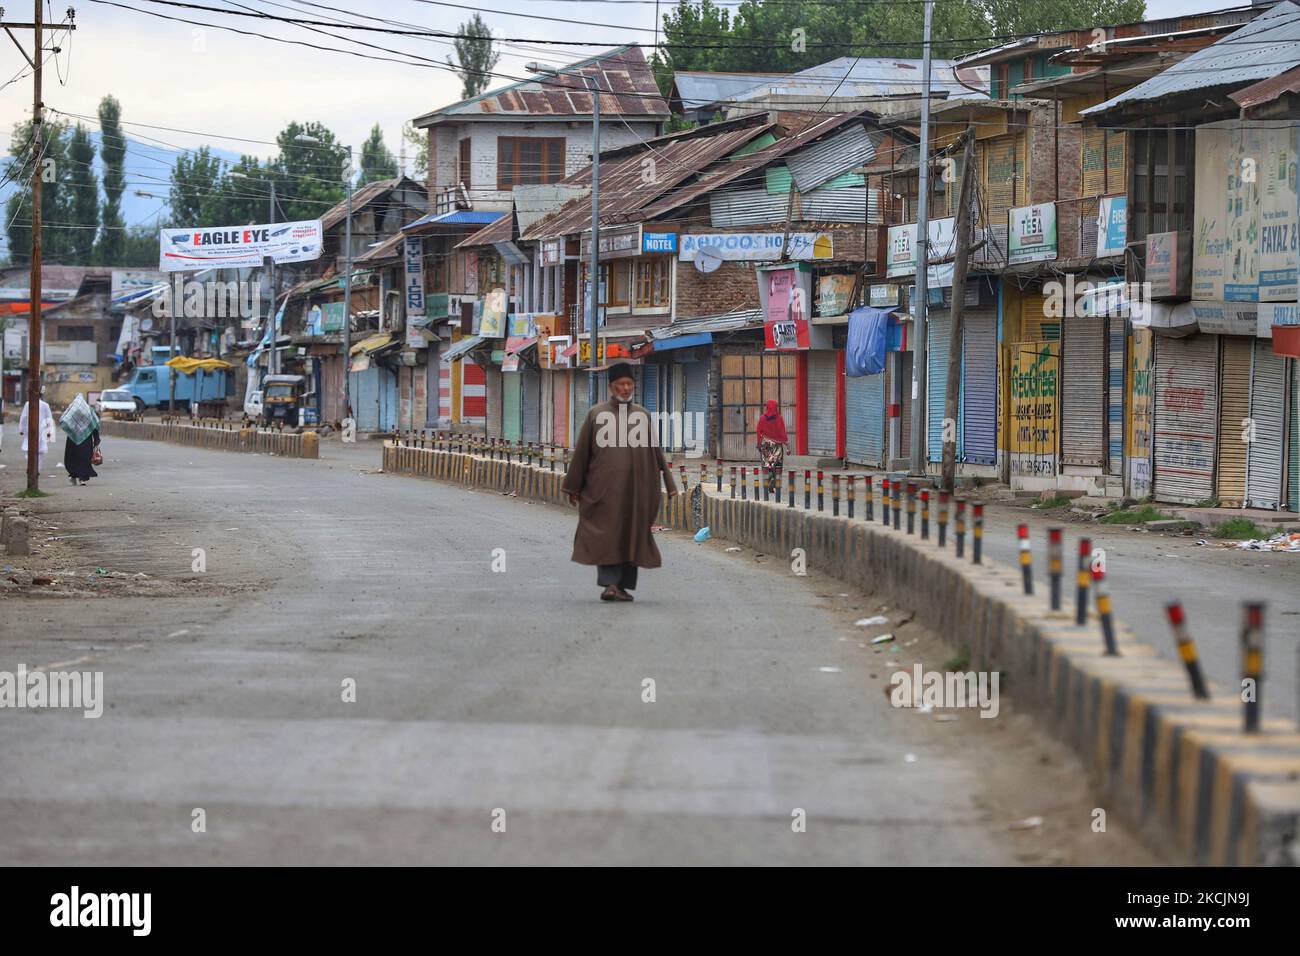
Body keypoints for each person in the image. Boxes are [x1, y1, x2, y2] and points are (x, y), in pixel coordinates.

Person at [562, 363, 677, 602]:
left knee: (631, 535)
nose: (625, 388)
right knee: (607, 534)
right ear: (611, 386)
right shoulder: (596, 414)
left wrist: (669, 482)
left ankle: (621, 586)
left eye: (629, 384)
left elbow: (655, 452)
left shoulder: (642, 415)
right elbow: (582, 452)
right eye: (620, 384)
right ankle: (610, 584)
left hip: (636, 491)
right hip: (602, 490)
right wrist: (574, 486)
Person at [60, 393, 101, 485]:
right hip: (86, 440)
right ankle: (82, 478)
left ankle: (73, 476)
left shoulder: (71, 411)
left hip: (72, 440)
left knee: (73, 458)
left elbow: (63, 420)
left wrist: (71, 430)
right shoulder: (89, 411)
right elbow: (95, 425)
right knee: (84, 458)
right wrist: (96, 440)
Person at [18, 389, 55, 476]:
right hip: (40, 430)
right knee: (40, 451)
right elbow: (49, 419)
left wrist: (21, 429)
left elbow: (23, 417)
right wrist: (50, 433)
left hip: (31, 430)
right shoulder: (44, 405)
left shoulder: (28, 404)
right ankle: (36, 469)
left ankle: (31, 467)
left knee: (29, 449)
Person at [756, 399, 789, 494]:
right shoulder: (779, 418)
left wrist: (759, 444)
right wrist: (786, 442)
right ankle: (775, 483)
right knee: (777, 465)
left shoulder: (762, 418)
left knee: (767, 465)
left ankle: (767, 481)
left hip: (766, 445)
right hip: (777, 446)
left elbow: (759, 431)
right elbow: (782, 432)